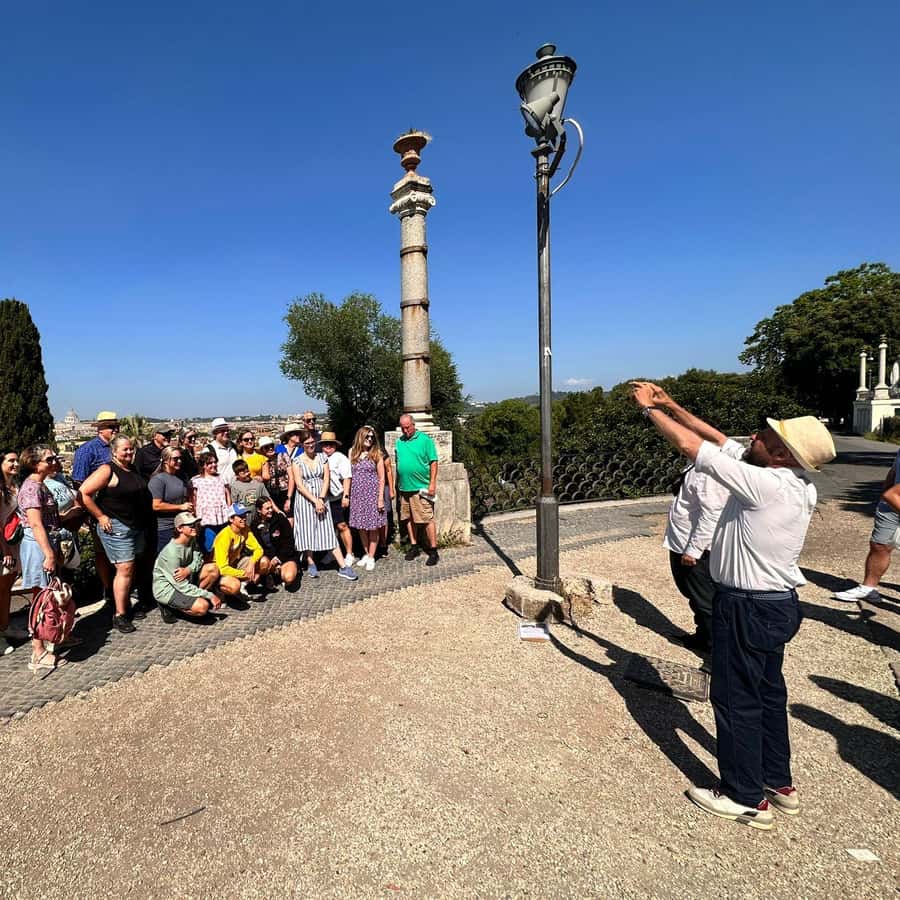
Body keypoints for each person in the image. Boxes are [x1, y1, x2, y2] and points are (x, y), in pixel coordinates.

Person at [631, 381, 836, 830]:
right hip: (778, 604)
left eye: (765, 436)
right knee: (767, 694)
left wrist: (649, 411)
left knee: (735, 698)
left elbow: (692, 445)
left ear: (782, 454)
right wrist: (672, 404)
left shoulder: (763, 485)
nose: (753, 438)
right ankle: (777, 784)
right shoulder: (797, 485)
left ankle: (744, 797)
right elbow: (720, 441)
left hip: (745, 605)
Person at [80, 435, 154, 634]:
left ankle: (126, 603)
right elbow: (84, 492)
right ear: (114, 452)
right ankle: (120, 614)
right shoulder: (107, 470)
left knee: (131, 566)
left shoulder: (131, 469)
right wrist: (100, 516)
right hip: (117, 526)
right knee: (125, 568)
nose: (129, 452)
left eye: (131, 449)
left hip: (135, 526)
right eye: (125, 450)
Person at [663, 460, 730, 655]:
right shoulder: (693, 465)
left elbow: (712, 514)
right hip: (681, 541)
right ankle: (703, 637)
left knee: (706, 600)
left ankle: (719, 654)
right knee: (692, 593)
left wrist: (694, 549)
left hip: (694, 548)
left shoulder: (709, 472)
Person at [832, 447, 900, 603]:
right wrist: (883, 498)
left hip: (894, 497)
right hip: (890, 504)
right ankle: (869, 588)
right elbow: (894, 472)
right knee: (879, 545)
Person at [17, 446, 64, 671]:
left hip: (47, 543)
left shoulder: (40, 484)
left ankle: (53, 636)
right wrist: (48, 554)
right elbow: (35, 524)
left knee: (51, 595)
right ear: (36, 463)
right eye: (49, 458)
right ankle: (37, 649)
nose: (54, 461)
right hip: (38, 546)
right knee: (42, 597)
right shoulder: (31, 488)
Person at [291, 433, 358, 581]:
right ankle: (310, 561)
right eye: (307, 443)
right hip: (305, 500)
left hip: (322, 497)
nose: (310, 445)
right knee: (307, 530)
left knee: (327, 530)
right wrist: (314, 500)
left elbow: (326, 478)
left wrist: (321, 498)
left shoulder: (323, 458)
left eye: (312, 442)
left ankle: (342, 566)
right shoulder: (296, 462)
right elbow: (299, 485)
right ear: (302, 445)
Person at [71, 410, 118, 601]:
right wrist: (90, 512)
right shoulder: (87, 450)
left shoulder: (117, 447)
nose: (115, 430)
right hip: (100, 509)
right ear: (100, 429)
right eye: (111, 426)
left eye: (116, 426)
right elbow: (78, 483)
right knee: (102, 552)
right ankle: (108, 589)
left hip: (120, 508)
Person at [152, 511, 222, 622]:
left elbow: (198, 558)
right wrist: (209, 595)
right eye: (190, 525)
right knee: (202, 607)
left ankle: (192, 599)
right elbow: (181, 586)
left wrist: (189, 570)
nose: (195, 527)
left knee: (212, 569)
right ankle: (173, 607)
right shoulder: (171, 553)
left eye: (195, 524)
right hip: (168, 589)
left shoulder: (191, 539)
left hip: (186, 579)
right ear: (180, 529)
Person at [395, 414, 439, 566]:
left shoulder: (425, 440)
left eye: (407, 427)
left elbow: (434, 462)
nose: (405, 430)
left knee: (427, 518)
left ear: (413, 425)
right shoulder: (399, 442)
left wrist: (432, 484)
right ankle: (414, 546)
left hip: (421, 487)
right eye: (403, 427)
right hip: (405, 487)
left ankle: (433, 550)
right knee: (408, 518)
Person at [212, 503, 270, 599]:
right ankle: (218, 589)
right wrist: (245, 574)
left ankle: (243, 586)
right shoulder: (225, 536)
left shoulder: (245, 529)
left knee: (264, 562)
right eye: (240, 516)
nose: (244, 518)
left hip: (234, 564)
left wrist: (252, 563)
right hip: (218, 571)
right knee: (234, 586)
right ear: (231, 519)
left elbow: (258, 549)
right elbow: (223, 568)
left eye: (245, 515)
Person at [348, 426, 386, 572]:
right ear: (360, 437)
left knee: (373, 527)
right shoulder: (352, 453)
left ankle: (371, 556)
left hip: (372, 495)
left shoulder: (377, 454)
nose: (370, 439)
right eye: (367, 437)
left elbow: (382, 478)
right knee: (361, 526)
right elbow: (349, 475)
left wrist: (380, 498)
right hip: (357, 495)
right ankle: (366, 553)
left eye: (372, 437)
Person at [320, 431, 355, 567]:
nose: (328, 446)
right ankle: (333, 552)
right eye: (325, 444)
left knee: (342, 525)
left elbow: (347, 477)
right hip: (325, 498)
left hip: (337, 497)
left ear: (335, 445)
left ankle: (349, 553)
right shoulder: (320, 457)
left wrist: (346, 495)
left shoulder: (340, 458)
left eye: (330, 444)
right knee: (328, 528)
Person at [149, 446, 193, 552]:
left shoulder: (182, 476)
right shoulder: (158, 480)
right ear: (165, 461)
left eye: (180, 458)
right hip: (166, 527)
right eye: (175, 459)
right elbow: (156, 505)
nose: (179, 461)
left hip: (182, 524)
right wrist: (180, 507)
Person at [0, 451, 23, 654]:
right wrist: (5, 549)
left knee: (6, 587)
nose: (16, 464)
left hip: (12, 541)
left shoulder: (14, 485)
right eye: (11, 461)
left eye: (17, 460)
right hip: (3, 545)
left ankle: (5, 626)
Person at [253, 498, 301, 589]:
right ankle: (270, 574)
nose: (270, 510)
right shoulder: (255, 525)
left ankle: (283, 573)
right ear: (259, 510)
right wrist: (271, 560)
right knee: (263, 562)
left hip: (285, 557)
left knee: (288, 578)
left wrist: (278, 558)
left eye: (271, 507)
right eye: (267, 509)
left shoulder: (280, 519)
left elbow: (289, 542)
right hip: (268, 559)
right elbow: (257, 546)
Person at [190, 451, 232, 554]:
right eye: (209, 463)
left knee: (224, 546)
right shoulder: (196, 481)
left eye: (215, 462)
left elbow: (228, 496)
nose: (213, 465)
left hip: (222, 517)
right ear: (203, 465)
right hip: (206, 519)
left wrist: (230, 512)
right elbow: (193, 499)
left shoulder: (222, 478)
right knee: (209, 548)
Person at [229, 459, 272, 526]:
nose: (247, 474)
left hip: (258, 517)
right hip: (245, 519)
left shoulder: (257, 483)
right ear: (237, 475)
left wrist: (277, 510)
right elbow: (234, 504)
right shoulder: (235, 486)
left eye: (247, 471)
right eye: (243, 473)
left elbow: (267, 498)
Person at [204, 418, 238, 484]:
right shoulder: (208, 450)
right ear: (215, 433)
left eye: (227, 430)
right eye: (222, 431)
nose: (226, 432)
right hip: (219, 489)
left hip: (235, 488)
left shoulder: (234, 446)